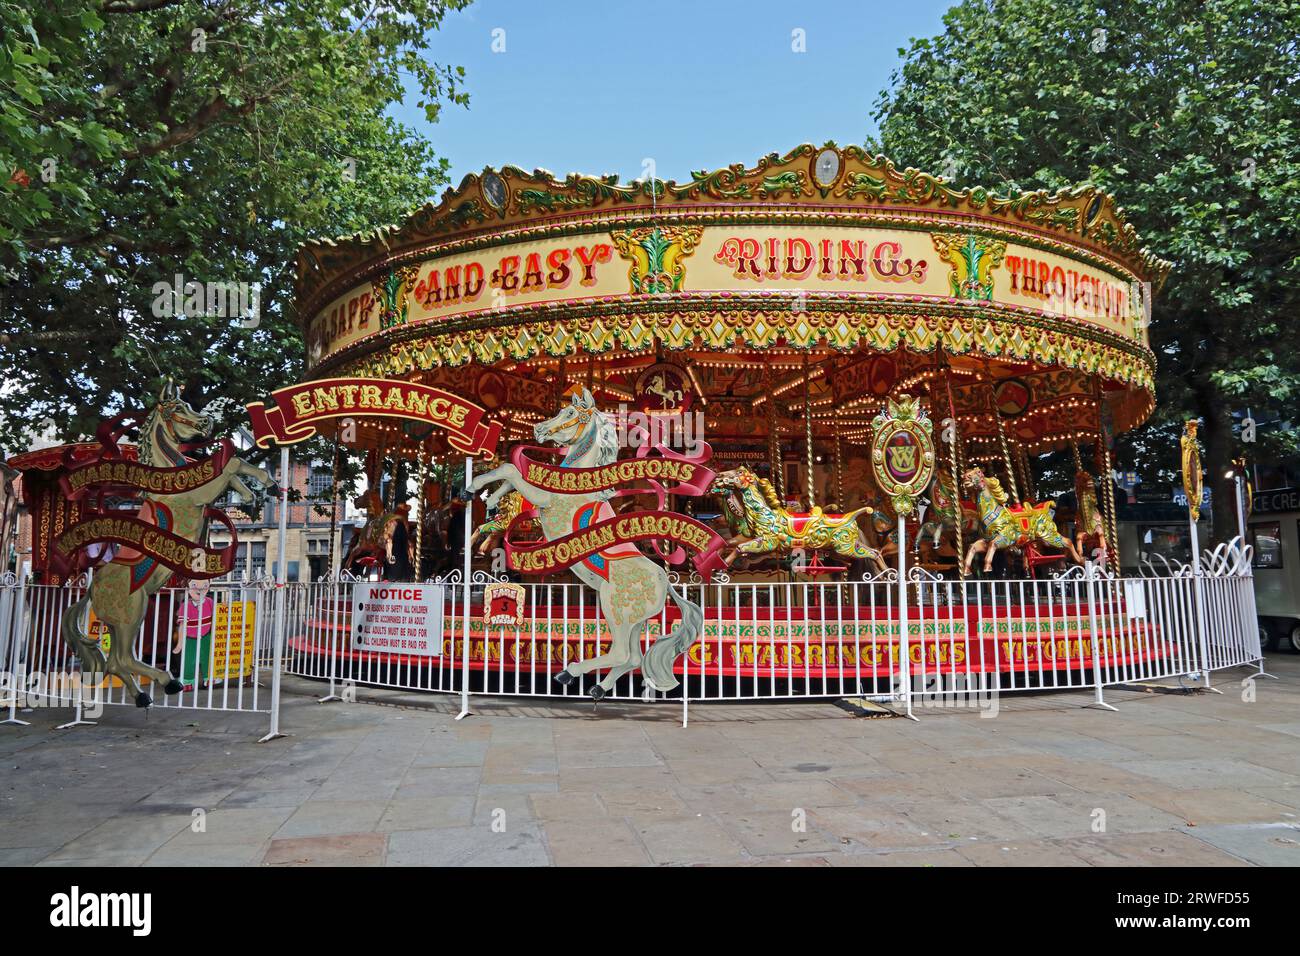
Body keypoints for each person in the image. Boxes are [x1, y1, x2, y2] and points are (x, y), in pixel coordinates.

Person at [172, 578, 214, 691]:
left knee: (208, 658)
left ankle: (208, 678)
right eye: (195, 585)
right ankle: (188, 681)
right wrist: (180, 644)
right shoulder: (186, 606)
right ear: (187, 587)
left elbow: (216, 619)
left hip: (206, 636)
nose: (200, 588)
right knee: (189, 660)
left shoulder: (210, 602)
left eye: (205, 585)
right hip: (190, 638)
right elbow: (182, 626)